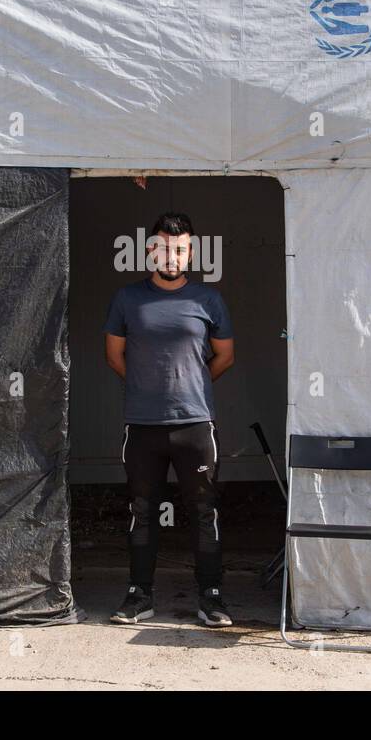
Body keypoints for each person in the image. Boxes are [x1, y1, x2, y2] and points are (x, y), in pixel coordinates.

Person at [102, 211, 236, 627]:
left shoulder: (208, 300)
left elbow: (225, 356)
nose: (170, 255)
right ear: (149, 251)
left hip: (195, 424)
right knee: (142, 511)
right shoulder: (127, 299)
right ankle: (138, 596)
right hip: (142, 426)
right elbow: (114, 356)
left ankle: (211, 597)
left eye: (178, 249)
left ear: (190, 253)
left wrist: (190, 386)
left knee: (203, 511)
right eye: (162, 248)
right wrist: (149, 387)